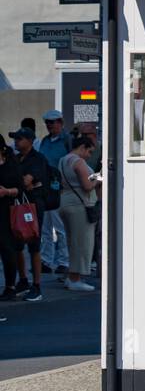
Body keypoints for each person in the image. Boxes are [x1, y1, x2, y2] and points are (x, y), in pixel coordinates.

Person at [9, 126, 51, 301]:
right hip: (18, 204)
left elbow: (26, 181)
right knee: (17, 243)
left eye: (20, 139)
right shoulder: (16, 158)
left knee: (34, 242)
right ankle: (23, 280)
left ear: (30, 141)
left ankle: (37, 285)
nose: (16, 142)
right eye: (15, 139)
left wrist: (17, 183)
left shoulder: (37, 159)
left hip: (33, 205)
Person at [58, 130, 101, 291]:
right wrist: (99, 177)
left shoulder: (63, 160)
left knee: (72, 242)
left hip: (65, 202)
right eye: (89, 151)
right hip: (80, 205)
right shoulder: (78, 162)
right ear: (82, 147)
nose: (89, 155)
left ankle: (71, 276)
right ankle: (76, 279)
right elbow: (87, 186)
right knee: (82, 243)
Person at [38, 108, 71, 278]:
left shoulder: (67, 140)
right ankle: (46, 260)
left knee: (60, 228)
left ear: (60, 123)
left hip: (60, 187)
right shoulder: (44, 141)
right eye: (48, 123)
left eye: (53, 122)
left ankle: (63, 262)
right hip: (45, 188)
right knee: (45, 227)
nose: (50, 125)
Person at [0, 133, 22, 302]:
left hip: (7, 211)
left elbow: (20, 189)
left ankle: (10, 286)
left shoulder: (11, 164)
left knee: (8, 249)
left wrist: (6, 191)